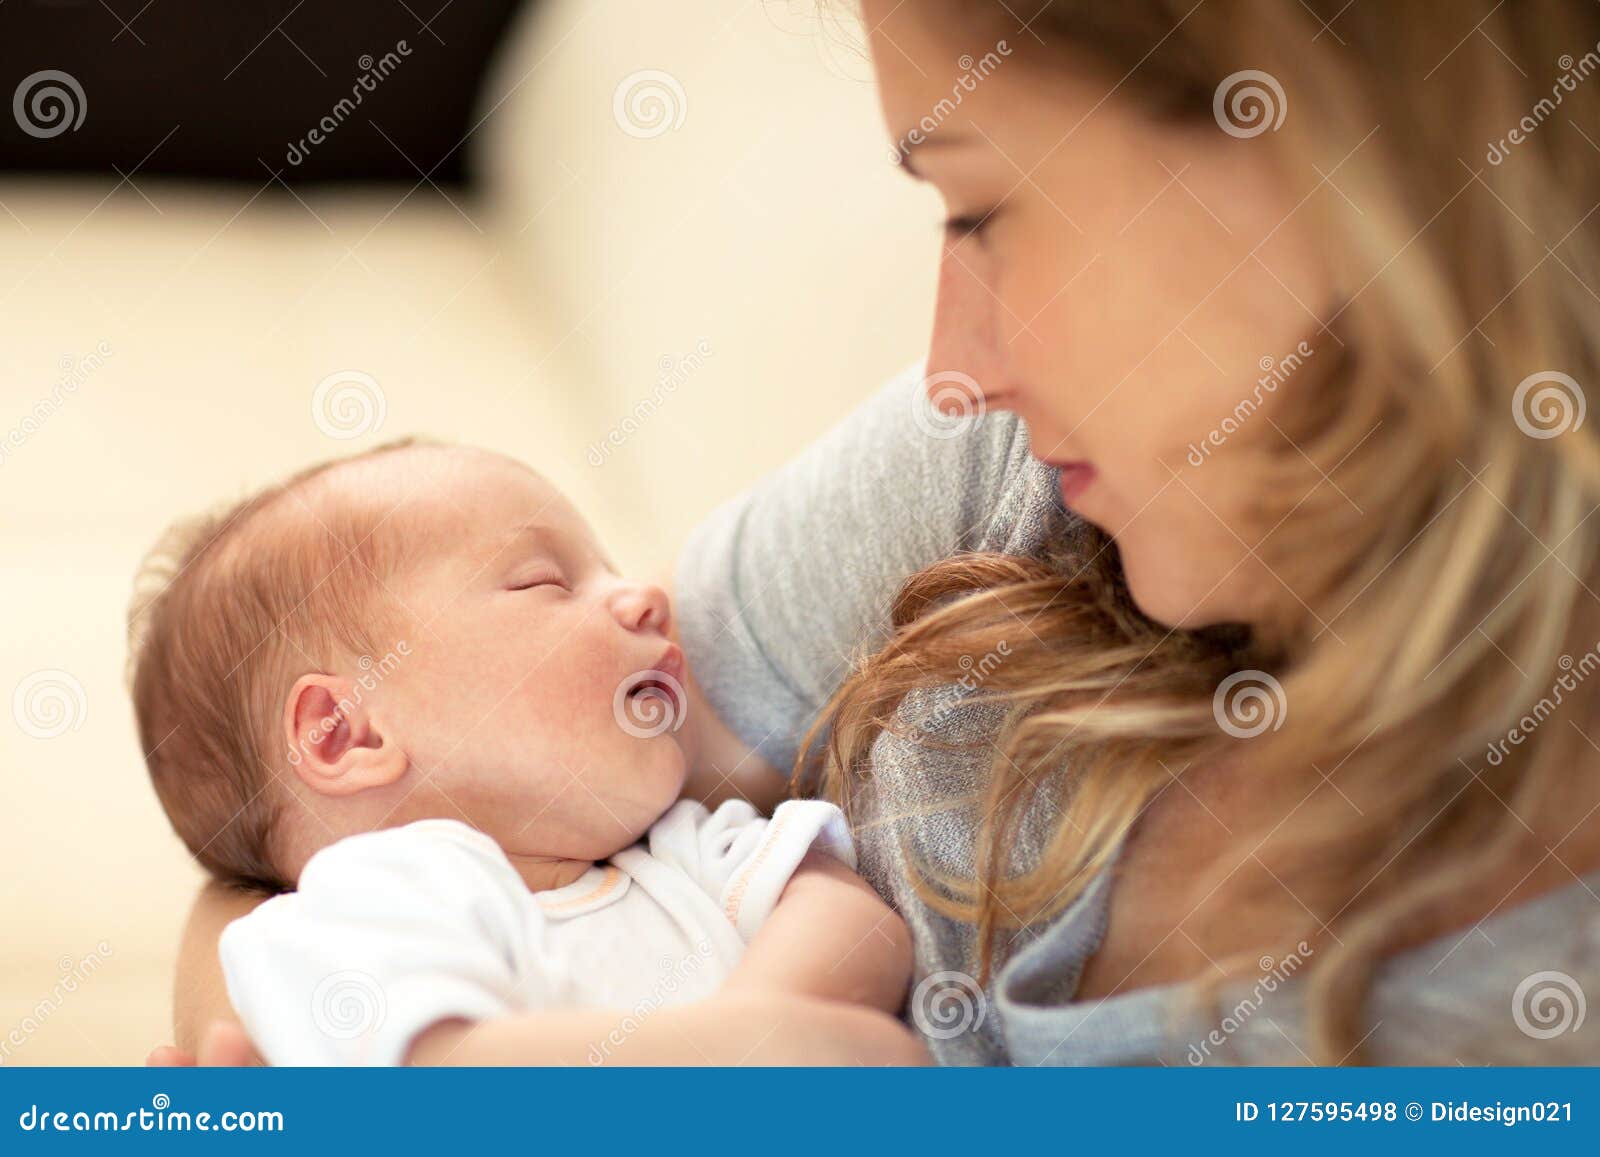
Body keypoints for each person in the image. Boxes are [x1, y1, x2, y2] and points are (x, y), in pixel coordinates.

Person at [158, 0, 1600, 1065]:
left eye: (981, 211)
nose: (953, 369)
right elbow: (314, 852)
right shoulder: (1006, 483)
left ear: (1355, 156)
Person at [128, 440, 915, 1065]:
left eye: (606, 566)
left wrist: (764, 1022)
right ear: (346, 731)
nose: (646, 597)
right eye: (545, 582)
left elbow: (852, 916)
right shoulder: (367, 905)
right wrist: (737, 1056)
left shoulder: (682, 848)